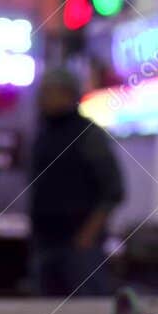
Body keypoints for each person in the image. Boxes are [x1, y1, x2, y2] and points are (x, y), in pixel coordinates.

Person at [29, 68, 125, 296]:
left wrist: (88, 235)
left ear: (67, 94)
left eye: (48, 92)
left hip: (80, 245)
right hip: (45, 241)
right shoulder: (44, 134)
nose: (41, 98)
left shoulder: (88, 135)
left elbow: (114, 191)